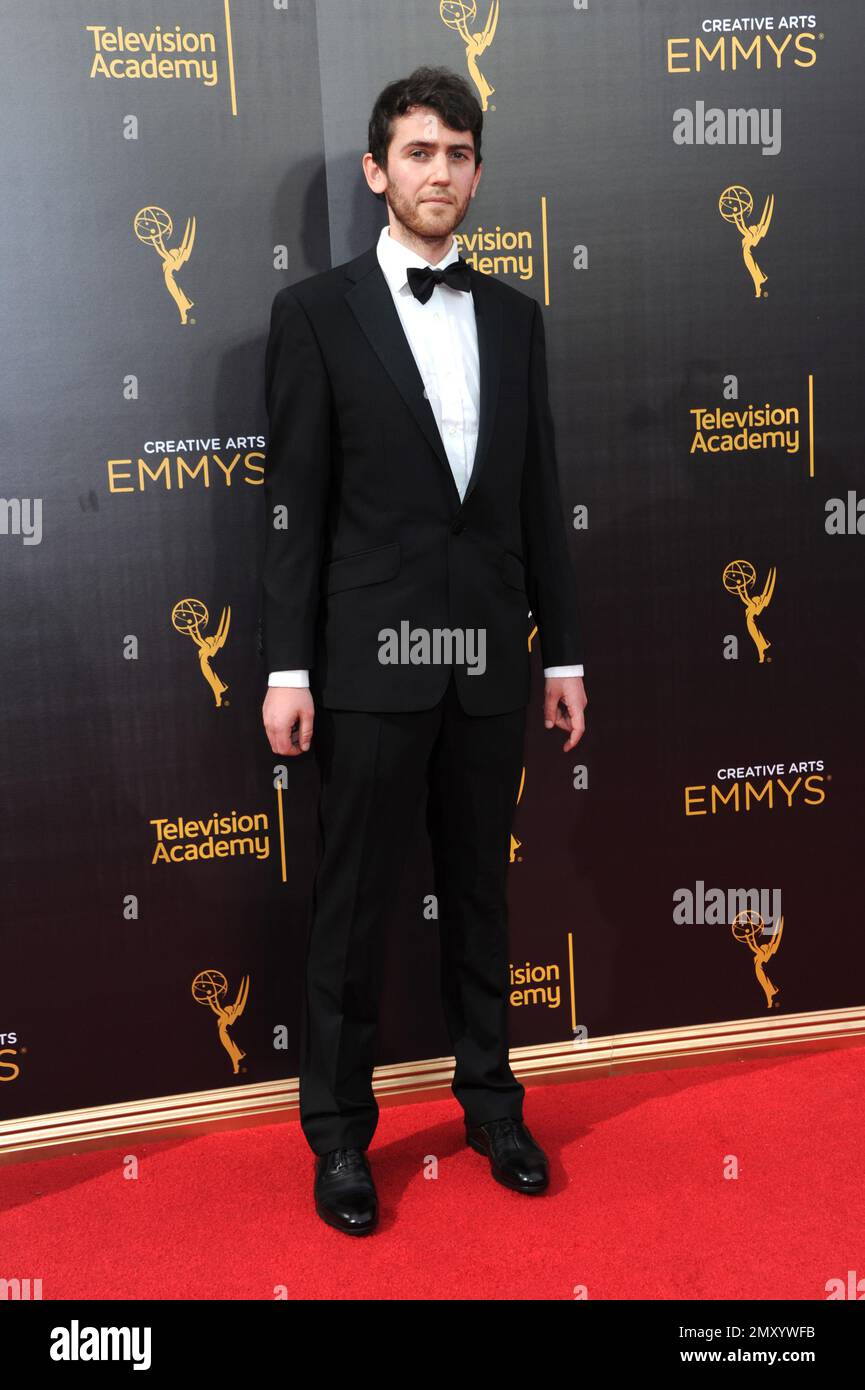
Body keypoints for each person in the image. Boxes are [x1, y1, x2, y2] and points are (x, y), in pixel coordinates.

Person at [259, 65, 587, 1236]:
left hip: (493, 659)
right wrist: (286, 668)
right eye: (415, 152)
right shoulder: (313, 316)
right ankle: (340, 1137)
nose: (436, 170)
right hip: (368, 661)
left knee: (485, 895)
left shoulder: (514, 316)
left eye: (455, 152)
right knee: (351, 906)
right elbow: (291, 506)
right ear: (375, 172)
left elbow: (536, 498)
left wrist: (566, 655)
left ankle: (491, 1100)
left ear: (476, 172)